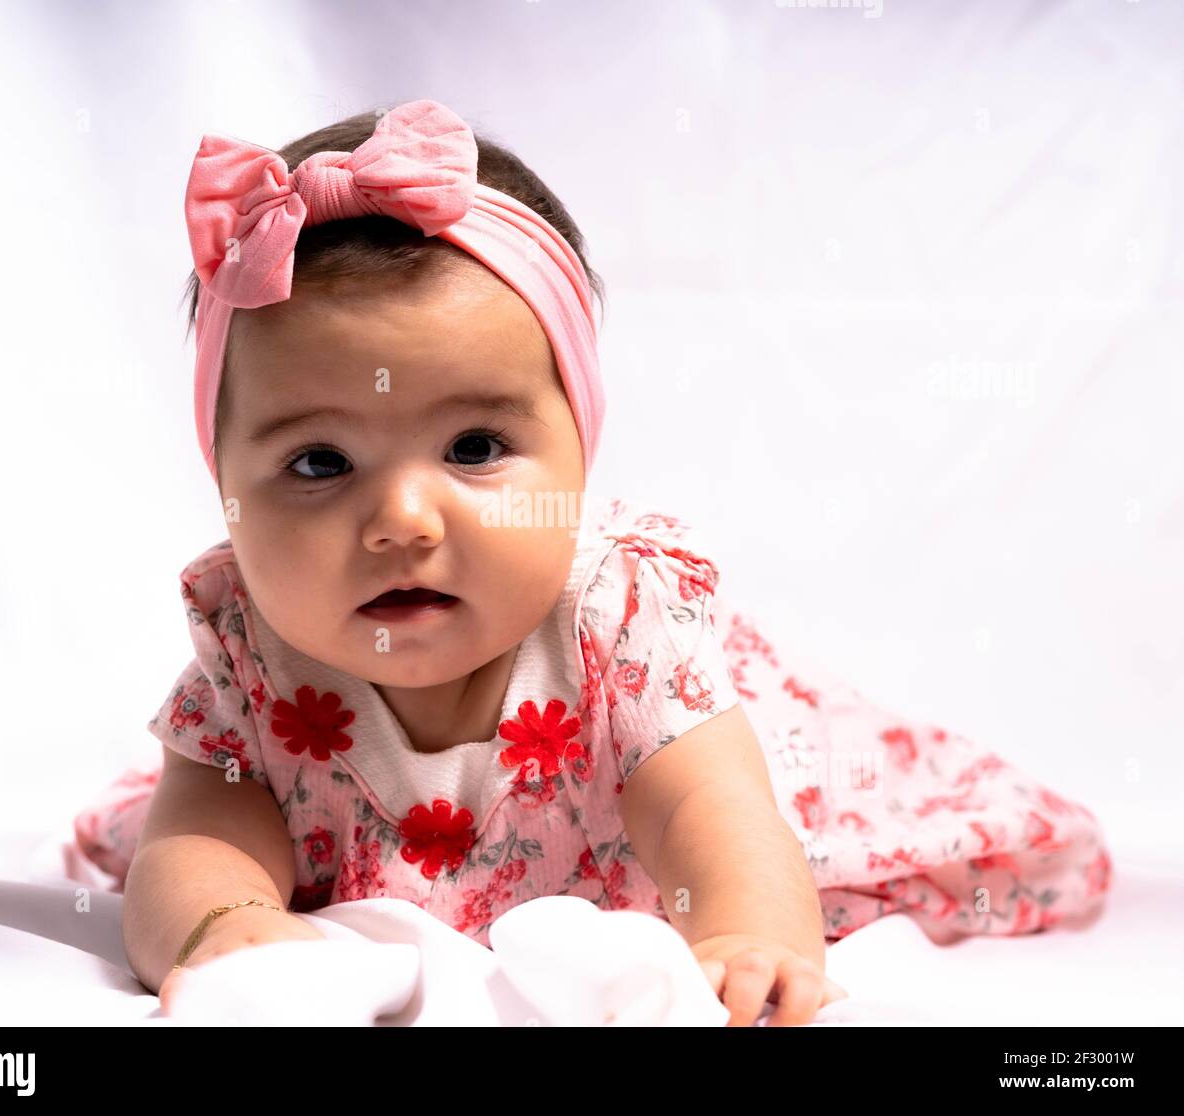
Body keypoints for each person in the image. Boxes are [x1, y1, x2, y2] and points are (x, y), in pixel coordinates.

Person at [70, 99, 1112, 1027]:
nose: (401, 520)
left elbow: (709, 813)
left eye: (474, 448)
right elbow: (192, 852)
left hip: (673, 820)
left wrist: (747, 937)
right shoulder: (251, 653)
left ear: (580, 450)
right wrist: (228, 922)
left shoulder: (616, 620)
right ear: (226, 491)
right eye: (318, 462)